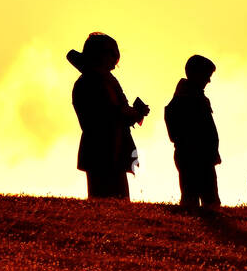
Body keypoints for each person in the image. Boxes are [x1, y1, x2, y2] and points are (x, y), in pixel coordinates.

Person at [67, 32, 149, 200]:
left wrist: (134, 114)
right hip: (100, 149)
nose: (115, 60)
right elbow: (101, 116)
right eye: (111, 54)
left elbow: (116, 112)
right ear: (99, 54)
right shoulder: (88, 83)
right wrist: (128, 113)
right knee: (104, 201)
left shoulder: (107, 81)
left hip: (115, 149)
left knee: (120, 203)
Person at [164, 55, 221, 208]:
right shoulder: (187, 99)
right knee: (200, 199)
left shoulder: (189, 97)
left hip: (199, 156)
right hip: (194, 157)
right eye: (207, 76)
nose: (208, 81)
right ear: (196, 74)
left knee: (202, 198)